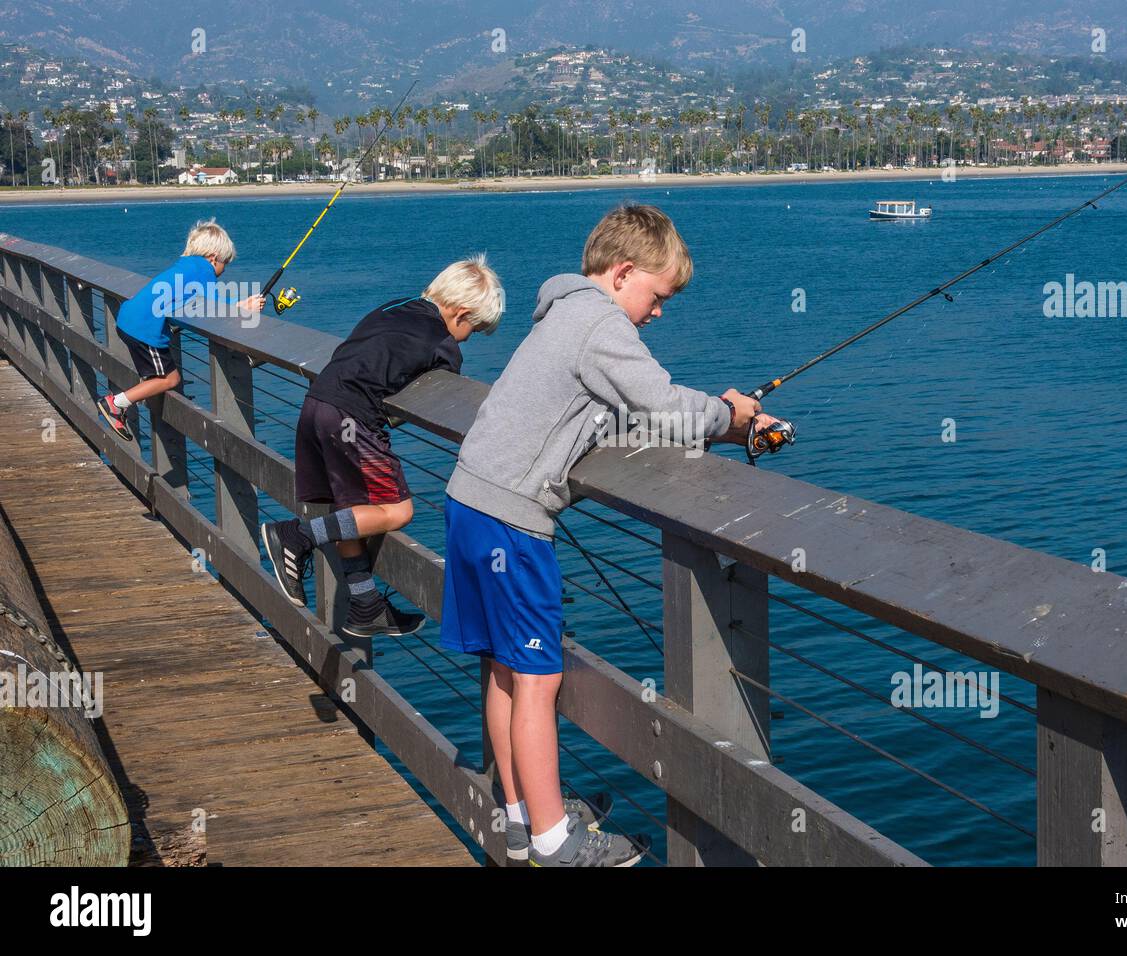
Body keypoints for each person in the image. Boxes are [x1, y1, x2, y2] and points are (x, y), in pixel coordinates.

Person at [440, 204, 775, 866]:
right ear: (624, 274)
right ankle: (554, 841)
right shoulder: (600, 324)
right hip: (513, 520)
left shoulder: (562, 316)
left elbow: (608, 422)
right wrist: (729, 415)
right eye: (657, 296)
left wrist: (714, 426)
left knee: (504, 674)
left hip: (468, 502)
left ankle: (519, 815)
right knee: (537, 677)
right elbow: (664, 401)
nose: (657, 313)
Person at [260, 255, 503, 639]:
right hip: (352, 417)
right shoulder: (442, 342)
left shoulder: (395, 307)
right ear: (460, 313)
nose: (470, 337)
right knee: (398, 510)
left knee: (354, 510)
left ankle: (365, 604)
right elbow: (438, 390)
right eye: (474, 327)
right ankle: (296, 536)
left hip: (317, 403)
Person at [97, 218, 263, 440]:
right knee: (170, 379)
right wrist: (244, 307)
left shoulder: (187, 266)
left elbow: (191, 301)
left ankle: (126, 407)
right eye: (225, 263)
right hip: (144, 329)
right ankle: (114, 404)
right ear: (214, 258)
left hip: (129, 320)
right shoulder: (204, 270)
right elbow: (213, 303)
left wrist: (238, 304)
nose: (224, 269)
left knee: (155, 378)